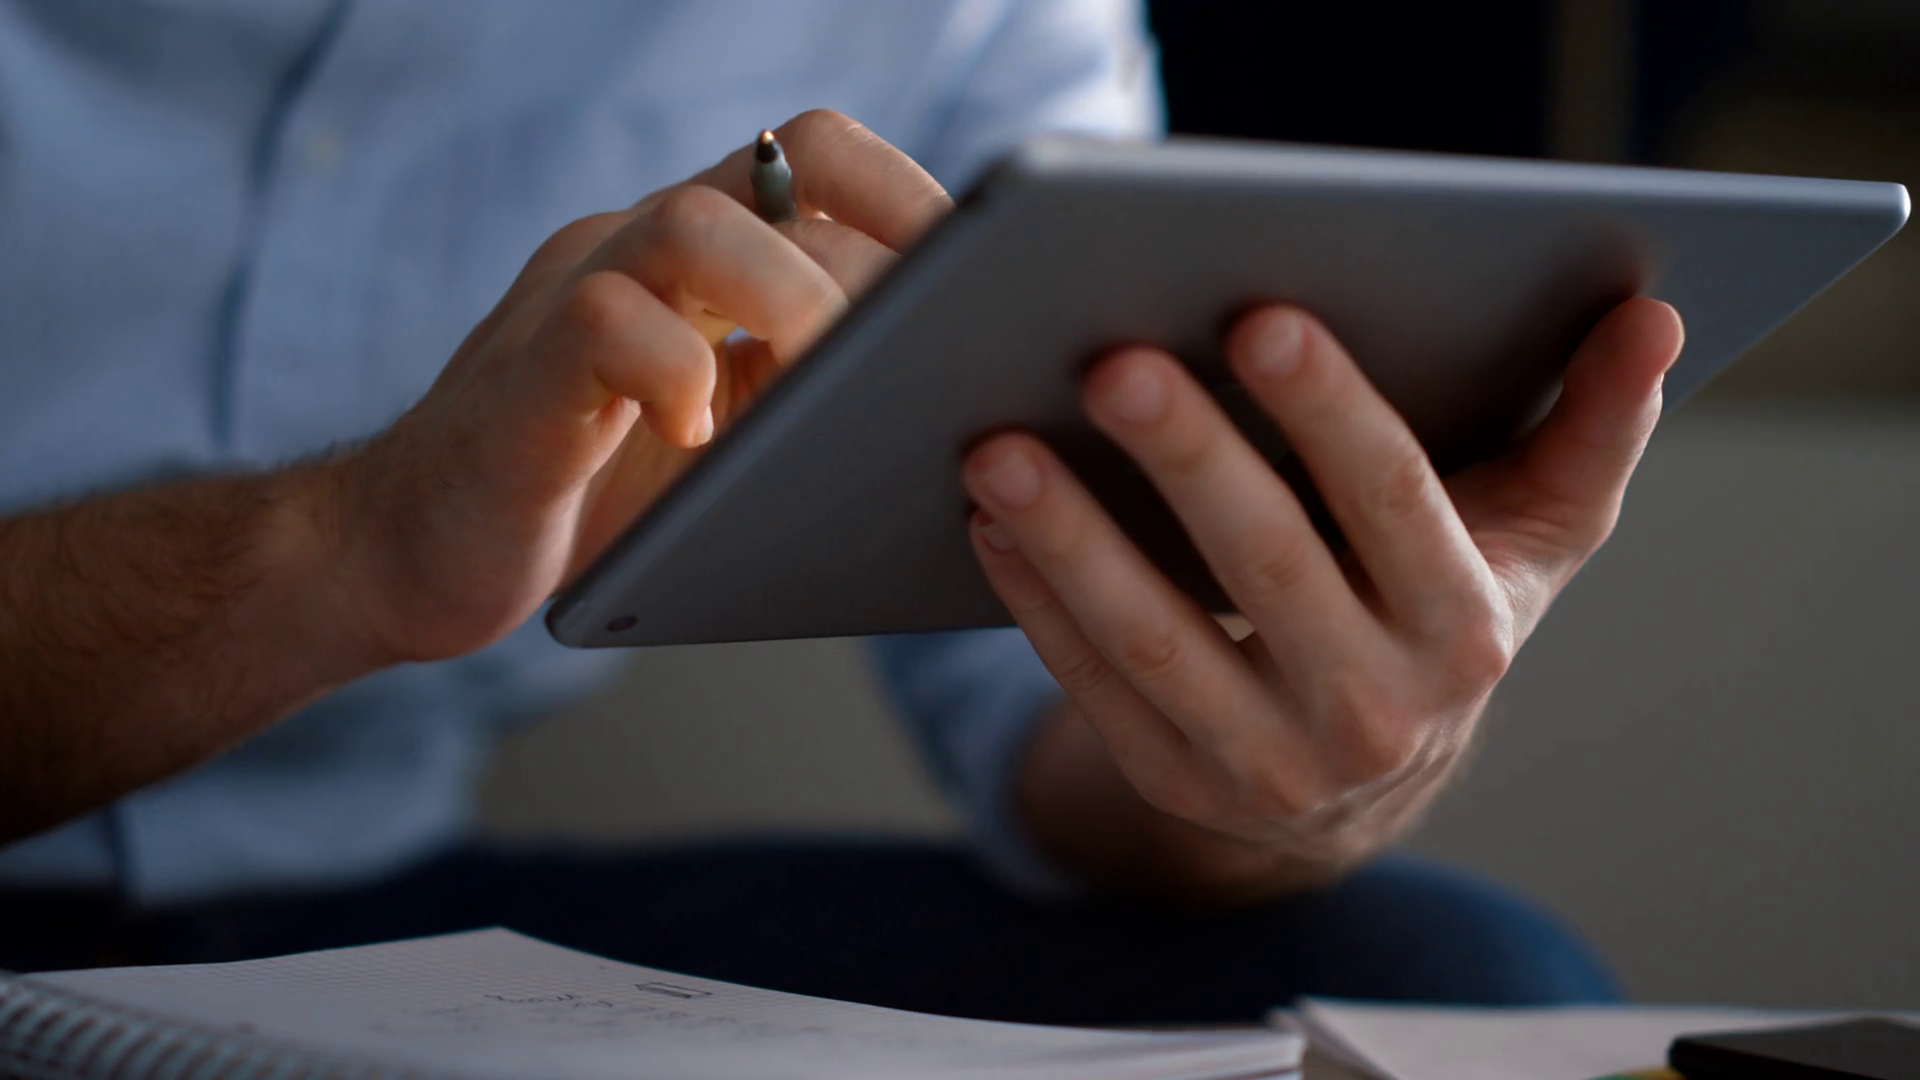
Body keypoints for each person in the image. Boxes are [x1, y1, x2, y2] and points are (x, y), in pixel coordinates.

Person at [0, 0, 1682, 1021]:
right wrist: (336, 555)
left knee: (1458, 981)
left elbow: (1044, 711)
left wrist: (1294, 752)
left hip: (370, 891)